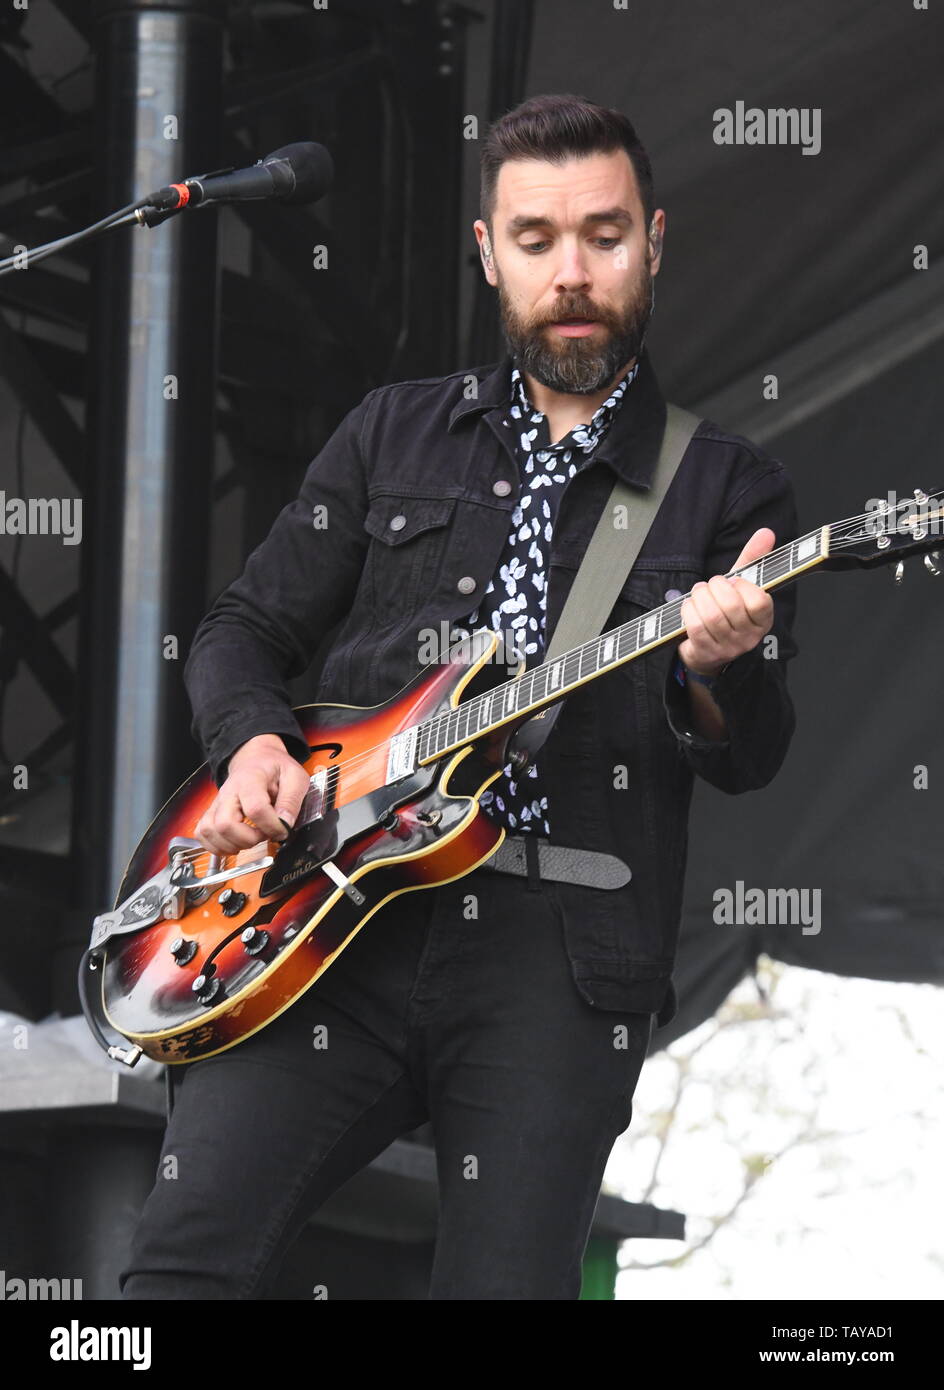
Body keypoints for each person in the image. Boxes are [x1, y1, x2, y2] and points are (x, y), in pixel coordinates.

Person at [120, 93, 798, 1301]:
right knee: (175, 1272)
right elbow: (241, 628)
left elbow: (746, 754)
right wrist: (253, 749)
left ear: (653, 239)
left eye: (603, 236)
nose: (572, 272)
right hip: (326, 922)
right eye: (535, 241)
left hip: (559, 954)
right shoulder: (392, 431)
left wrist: (711, 668)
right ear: (488, 253)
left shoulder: (724, 485)